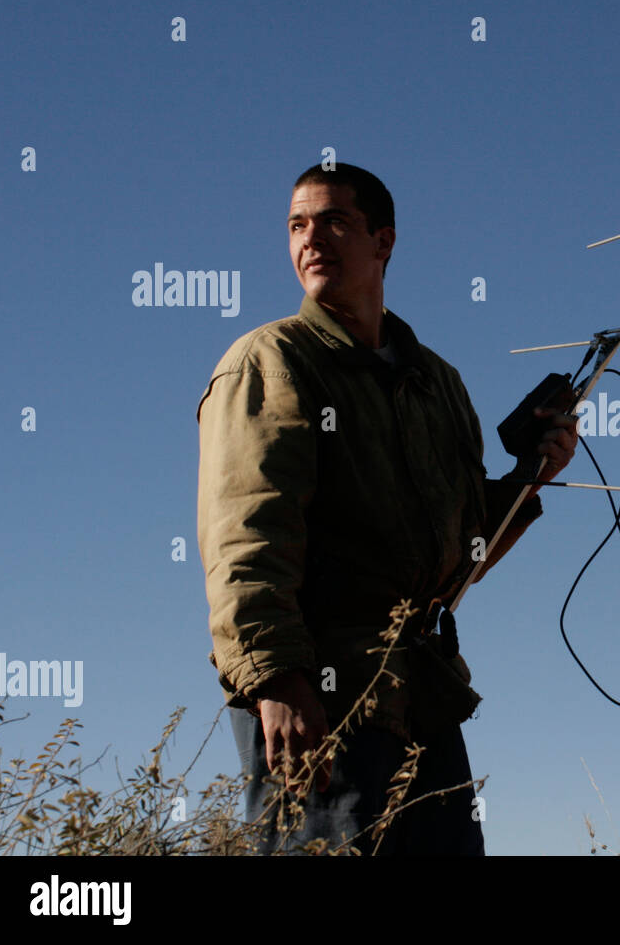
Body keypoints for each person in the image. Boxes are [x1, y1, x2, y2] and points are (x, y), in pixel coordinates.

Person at [196, 162, 577, 855]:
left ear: (384, 242)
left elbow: (457, 557)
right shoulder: (273, 360)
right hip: (314, 693)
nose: (312, 239)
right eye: (297, 226)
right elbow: (246, 535)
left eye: (335, 222)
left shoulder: (436, 382)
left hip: (421, 695)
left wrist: (531, 477)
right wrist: (274, 676)